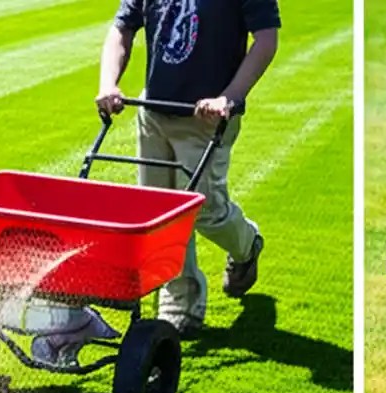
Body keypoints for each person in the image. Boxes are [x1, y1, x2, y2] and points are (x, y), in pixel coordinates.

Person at [92, 0, 281, 340]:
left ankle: (247, 245)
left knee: (206, 211)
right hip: (154, 110)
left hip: (207, 118)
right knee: (159, 212)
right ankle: (182, 306)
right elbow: (122, 27)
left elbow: (266, 39)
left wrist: (229, 97)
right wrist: (108, 83)